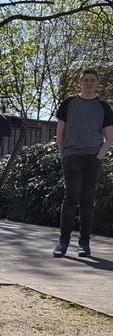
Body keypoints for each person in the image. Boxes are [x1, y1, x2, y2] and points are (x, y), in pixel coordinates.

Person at [53, 69, 113, 258]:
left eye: (92, 80)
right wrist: (64, 153)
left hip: (92, 158)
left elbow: (109, 137)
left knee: (87, 201)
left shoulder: (103, 107)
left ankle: (84, 244)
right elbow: (59, 132)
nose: (88, 83)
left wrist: (100, 156)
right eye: (85, 79)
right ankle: (63, 243)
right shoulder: (69, 104)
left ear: (97, 83)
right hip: (72, 157)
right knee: (71, 198)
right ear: (79, 82)